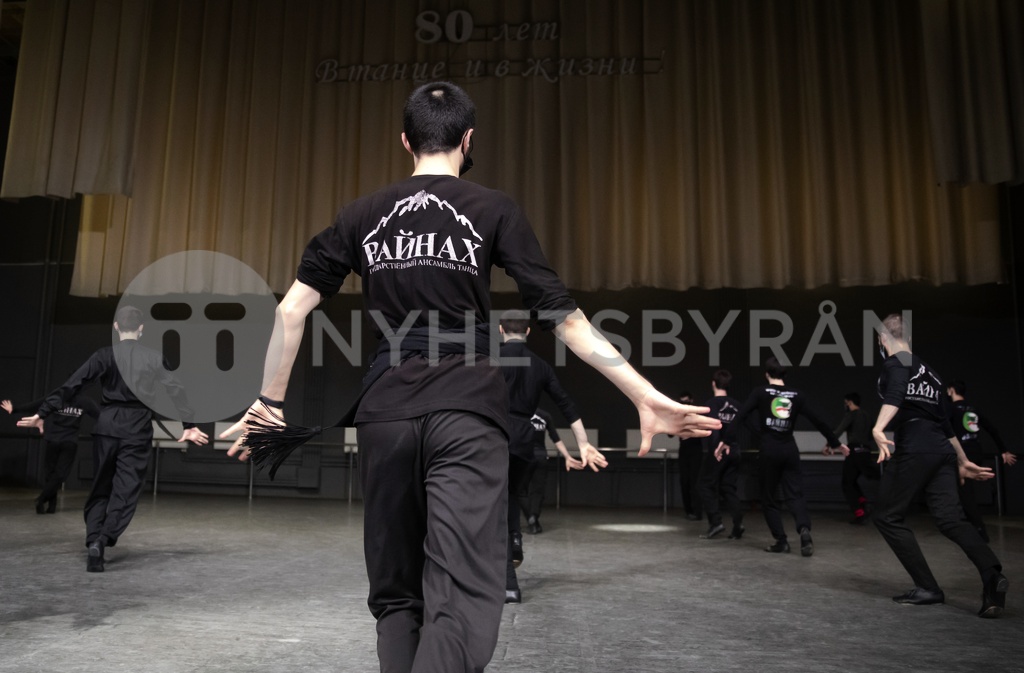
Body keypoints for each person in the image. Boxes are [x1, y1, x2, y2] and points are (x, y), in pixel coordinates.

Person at [219, 81, 720, 673]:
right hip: (467, 411)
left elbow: (290, 312)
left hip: (386, 413)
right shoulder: (493, 207)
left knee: (397, 593)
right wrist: (645, 395)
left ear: (405, 141)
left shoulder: (360, 214)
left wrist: (267, 404)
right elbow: (564, 317)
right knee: (460, 591)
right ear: (468, 138)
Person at [16, 306, 208, 571]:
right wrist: (189, 424)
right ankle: (104, 538)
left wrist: (43, 412)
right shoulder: (153, 358)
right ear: (141, 330)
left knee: (100, 487)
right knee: (126, 490)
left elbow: (71, 385)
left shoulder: (103, 356)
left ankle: (94, 537)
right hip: (137, 429)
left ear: (116, 327)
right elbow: (176, 388)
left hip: (106, 427)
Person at [872, 314, 1007, 617]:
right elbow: (945, 422)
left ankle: (928, 587)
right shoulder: (930, 373)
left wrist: (878, 428)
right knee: (950, 519)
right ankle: (992, 576)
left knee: (886, 516)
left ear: (883, 339)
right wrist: (962, 459)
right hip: (942, 450)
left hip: (916, 448)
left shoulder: (896, 363)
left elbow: (894, 394)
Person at [498, 310, 605, 603]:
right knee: (511, 496)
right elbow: (565, 403)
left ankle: (503, 577)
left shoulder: (489, 360)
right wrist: (582, 443)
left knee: (494, 505)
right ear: (529, 332)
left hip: (493, 438)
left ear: (500, 330)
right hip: (524, 442)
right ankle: (513, 549)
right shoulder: (541, 365)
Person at [715, 357, 846, 556]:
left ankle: (781, 541)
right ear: (785, 374)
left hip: (769, 449)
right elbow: (818, 420)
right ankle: (804, 531)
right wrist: (836, 443)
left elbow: (740, 416)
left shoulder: (760, 392)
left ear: (767, 374)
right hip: (789, 449)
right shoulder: (797, 395)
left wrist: (725, 440)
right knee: (795, 494)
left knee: (769, 498)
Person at [3, 392, 99, 513]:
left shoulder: (83, 401)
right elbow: (36, 405)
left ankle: (42, 499)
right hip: (54, 440)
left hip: (68, 441)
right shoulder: (57, 397)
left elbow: (100, 415)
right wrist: (15, 410)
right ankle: (50, 505)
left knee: (60, 474)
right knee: (51, 474)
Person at [946, 380, 1017, 542]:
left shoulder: (951, 409)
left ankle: (977, 528)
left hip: (961, 455)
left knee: (964, 491)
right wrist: (1003, 450)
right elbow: (992, 429)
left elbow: (946, 430)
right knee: (963, 490)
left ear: (951, 390)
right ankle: (971, 525)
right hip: (976, 452)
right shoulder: (973, 409)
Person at [517, 409, 585, 536]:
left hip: (525, 457)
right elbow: (556, 438)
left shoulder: (520, 413)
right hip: (541, 457)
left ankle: (531, 519)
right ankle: (534, 520)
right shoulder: (545, 415)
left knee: (520, 491)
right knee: (538, 491)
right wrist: (567, 456)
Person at [696, 370, 744, 540]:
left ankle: (716, 523)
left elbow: (715, 426)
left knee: (704, 485)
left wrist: (716, 448)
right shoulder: (737, 405)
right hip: (735, 450)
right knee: (728, 488)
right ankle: (738, 525)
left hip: (719, 451)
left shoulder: (711, 404)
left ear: (713, 384)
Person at [823, 392, 880, 525]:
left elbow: (839, 430)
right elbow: (873, 434)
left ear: (849, 402)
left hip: (854, 452)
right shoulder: (867, 416)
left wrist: (828, 445)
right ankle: (864, 503)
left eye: (845, 402)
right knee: (852, 481)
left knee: (847, 483)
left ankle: (859, 512)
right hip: (866, 451)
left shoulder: (851, 415)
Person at [677, 391, 704, 521]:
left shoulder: (697, 414)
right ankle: (688, 511)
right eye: (682, 403)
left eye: (686, 402)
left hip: (695, 449)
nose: (684, 405)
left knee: (695, 481)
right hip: (684, 449)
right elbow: (670, 433)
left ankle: (698, 511)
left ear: (691, 401)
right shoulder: (678, 416)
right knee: (684, 481)